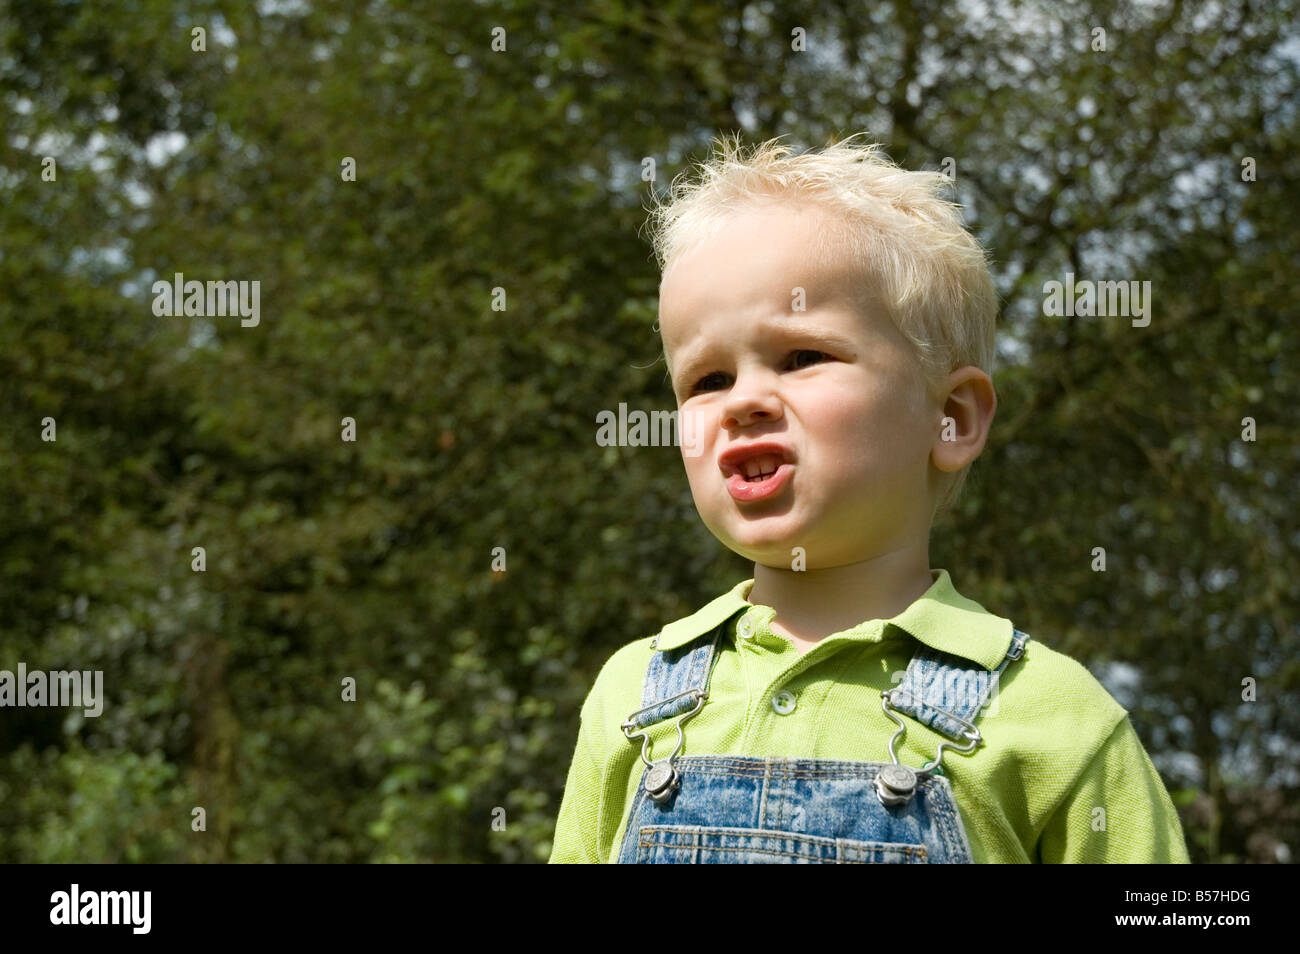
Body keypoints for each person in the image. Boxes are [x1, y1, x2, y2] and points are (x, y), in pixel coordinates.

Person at [549, 133, 1190, 863]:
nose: (743, 401)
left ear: (952, 418)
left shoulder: (1055, 717)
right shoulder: (632, 697)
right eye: (707, 380)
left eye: (802, 357)